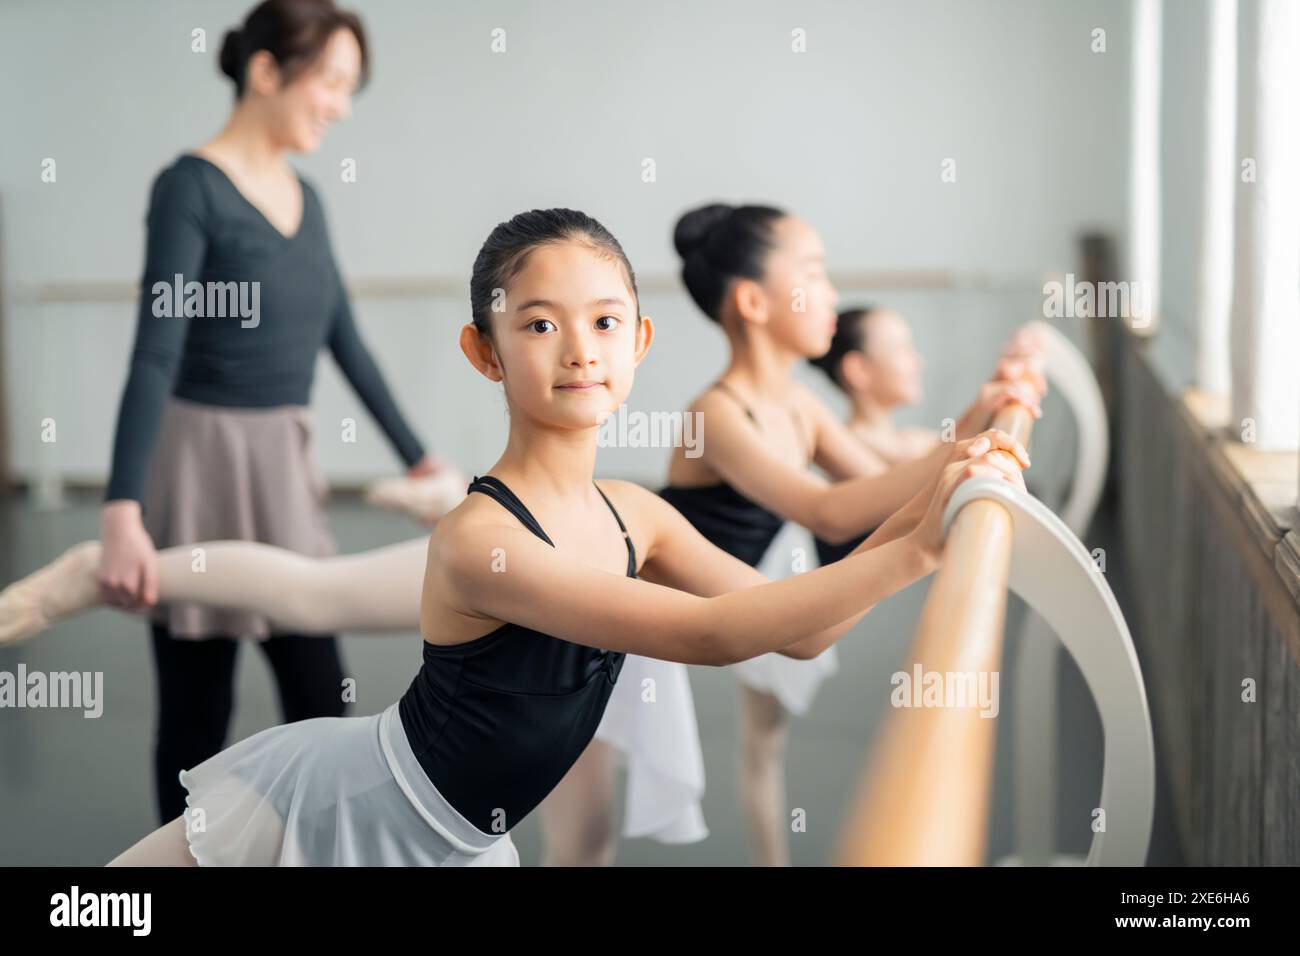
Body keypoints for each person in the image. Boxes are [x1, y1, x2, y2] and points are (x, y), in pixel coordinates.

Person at [0, 208, 1030, 866]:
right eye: (538, 324)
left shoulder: (639, 514)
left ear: (640, 341)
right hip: (342, 803)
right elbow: (722, 633)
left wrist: (953, 470)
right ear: (484, 351)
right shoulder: (477, 544)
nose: (578, 349)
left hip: (461, 845)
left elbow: (797, 636)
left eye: (604, 322)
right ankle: (95, 574)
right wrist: (923, 545)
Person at [97, 0, 446, 824]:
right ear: (264, 72)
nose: (340, 105)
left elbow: (345, 340)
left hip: (284, 467)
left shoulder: (310, 198)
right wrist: (121, 509)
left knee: (321, 695)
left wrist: (420, 458)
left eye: (350, 87)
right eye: (330, 81)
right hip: (198, 465)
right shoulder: (189, 187)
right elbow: (155, 351)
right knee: (197, 710)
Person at [657, 203, 1042, 865]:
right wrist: (964, 448)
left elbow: (882, 479)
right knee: (585, 834)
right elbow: (832, 510)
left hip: (728, 592)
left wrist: (984, 413)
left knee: (599, 825)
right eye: (813, 272)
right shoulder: (714, 414)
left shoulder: (800, 405)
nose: (831, 293)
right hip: (632, 595)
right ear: (752, 301)